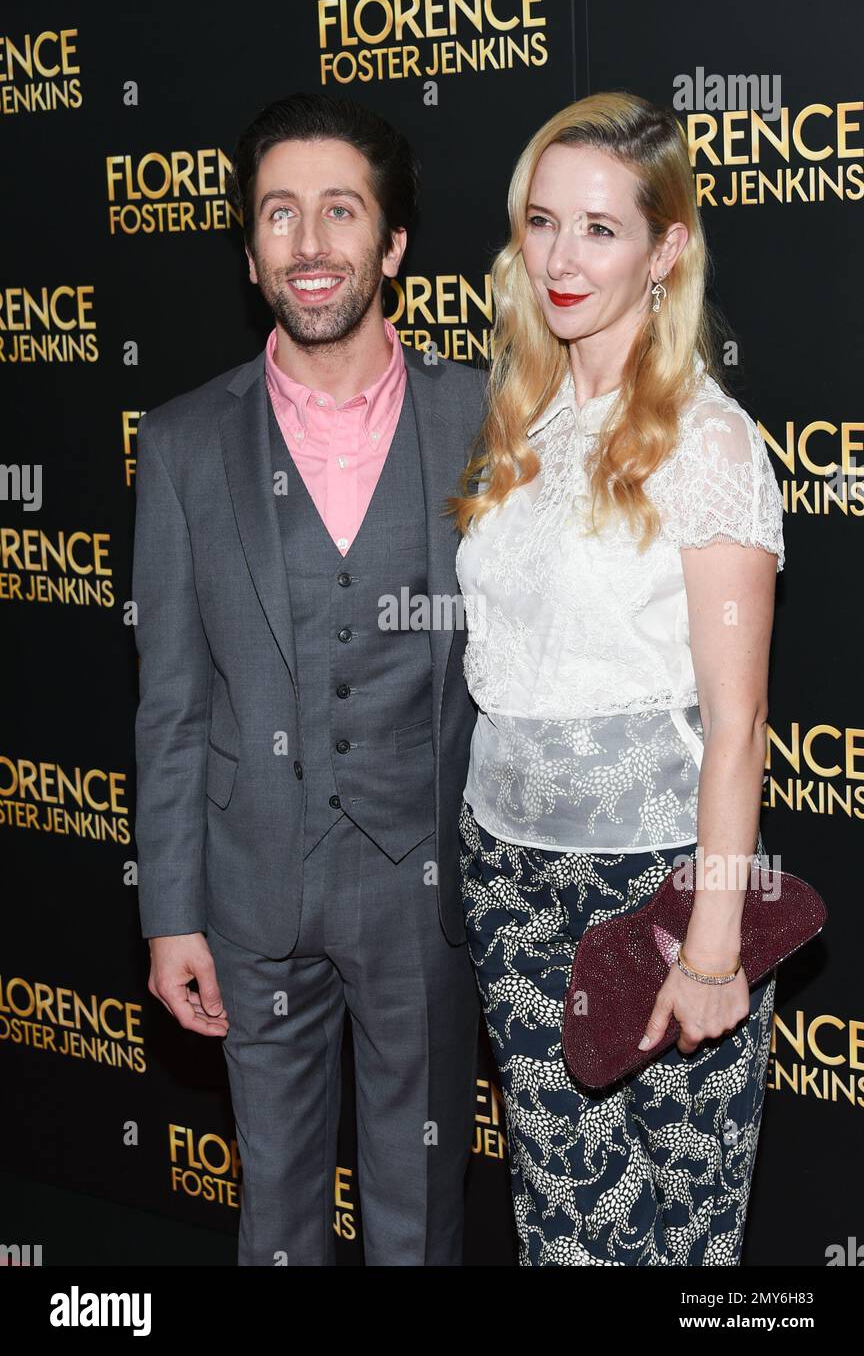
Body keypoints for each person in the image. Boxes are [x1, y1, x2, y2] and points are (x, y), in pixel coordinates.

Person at [132, 93, 487, 1266]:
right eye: (279, 214)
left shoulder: (486, 418)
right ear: (250, 250)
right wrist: (171, 910)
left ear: (390, 246)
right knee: (275, 1212)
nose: (310, 242)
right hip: (250, 893)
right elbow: (173, 700)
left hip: (421, 894)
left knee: (417, 1210)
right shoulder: (185, 443)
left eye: (340, 211)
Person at [447, 91, 785, 1266]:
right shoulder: (519, 423)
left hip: (659, 895)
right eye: (543, 223)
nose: (562, 257)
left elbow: (737, 732)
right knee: (564, 1229)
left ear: (667, 249)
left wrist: (711, 949)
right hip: (506, 886)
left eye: (601, 228)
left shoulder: (712, 445)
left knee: (676, 1242)